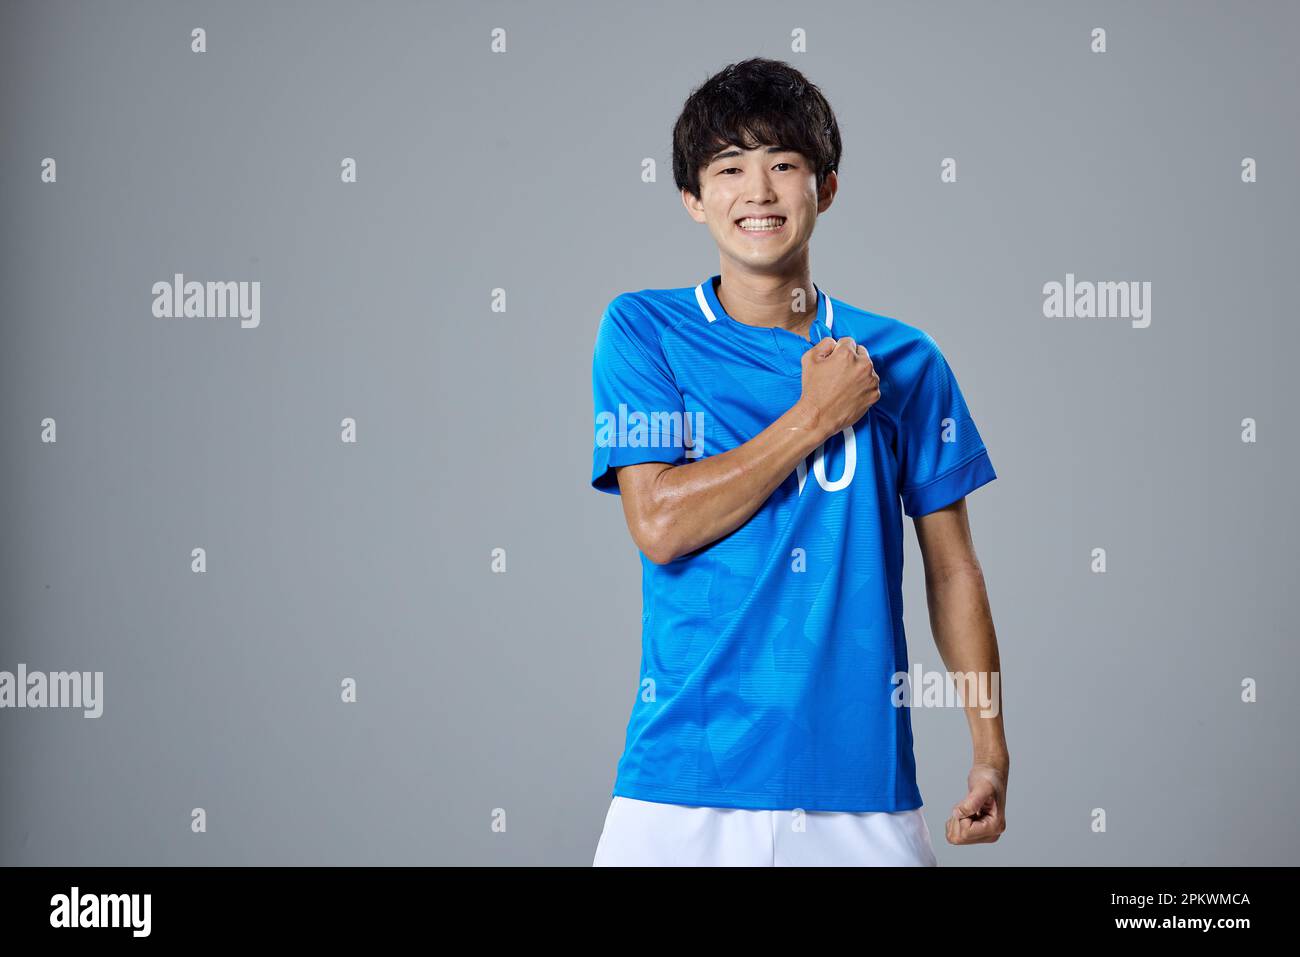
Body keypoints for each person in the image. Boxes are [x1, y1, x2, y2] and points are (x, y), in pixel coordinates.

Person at [589, 57, 1008, 866]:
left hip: (860, 794)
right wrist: (815, 417)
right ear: (693, 196)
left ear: (826, 187)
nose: (759, 191)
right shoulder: (645, 332)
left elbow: (954, 571)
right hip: (682, 787)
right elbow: (661, 523)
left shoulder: (905, 360)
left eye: (784, 164)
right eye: (729, 168)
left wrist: (988, 749)